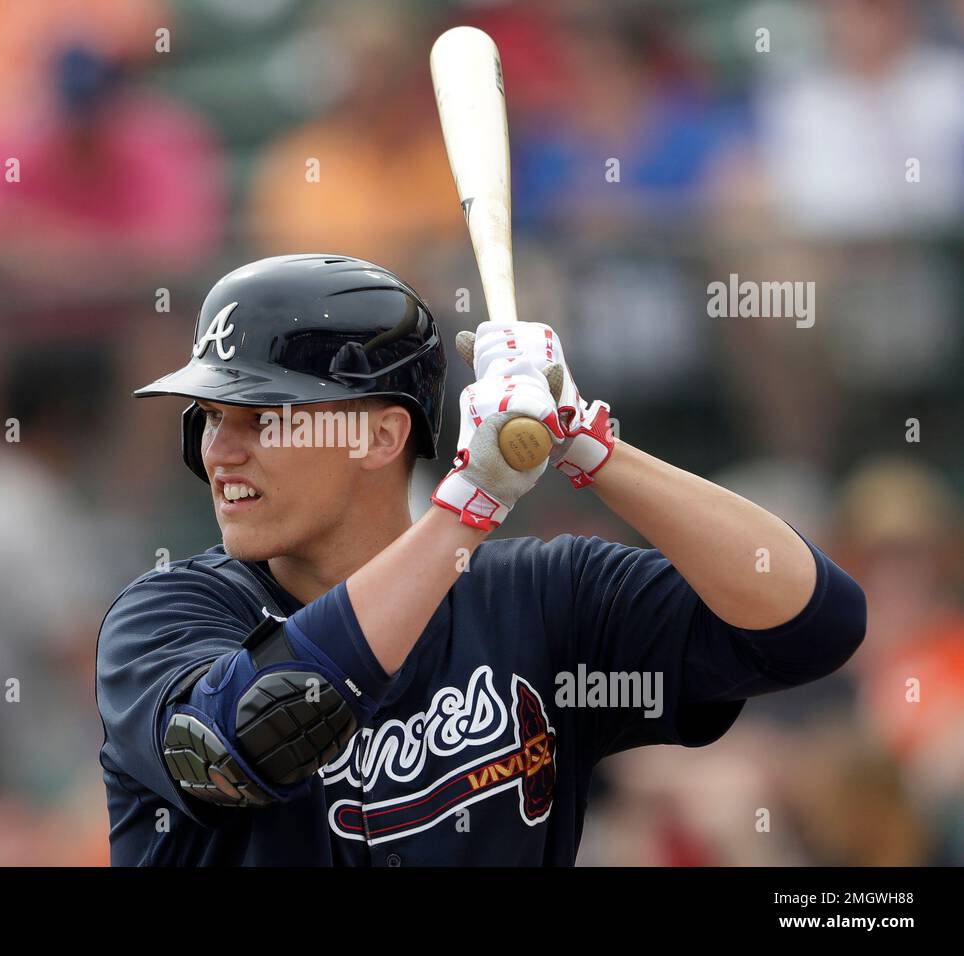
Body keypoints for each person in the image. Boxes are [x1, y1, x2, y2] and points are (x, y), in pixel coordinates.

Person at [95, 254, 866, 866]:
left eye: (262, 419)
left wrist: (585, 442)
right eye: (211, 417)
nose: (220, 451)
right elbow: (239, 744)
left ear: (380, 436)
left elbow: (813, 623)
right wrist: (469, 506)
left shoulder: (538, 596)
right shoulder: (167, 614)